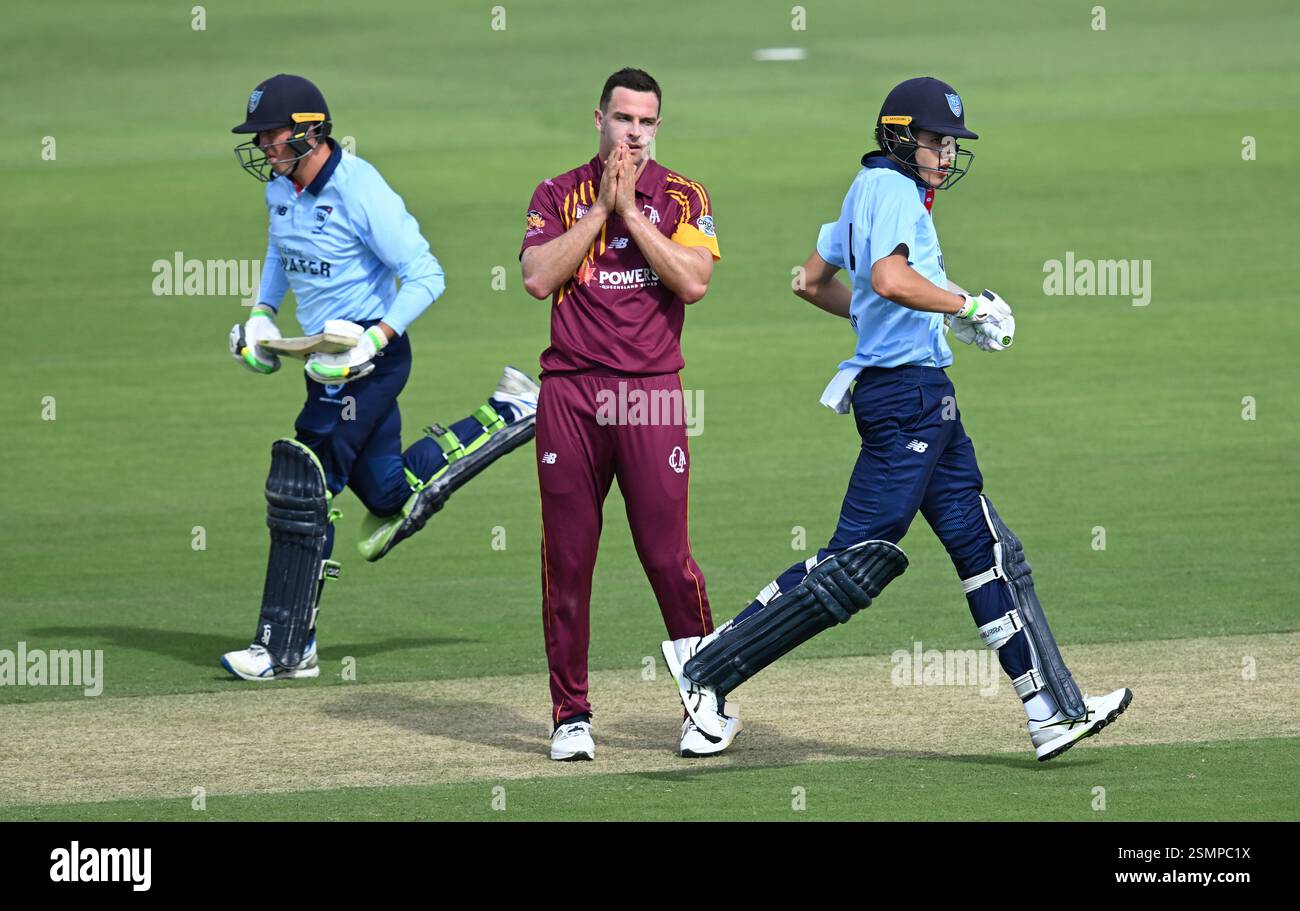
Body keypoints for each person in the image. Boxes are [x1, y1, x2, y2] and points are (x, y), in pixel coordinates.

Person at [661, 76, 1131, 762]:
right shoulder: (889, 189)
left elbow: (812, 281)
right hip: (903, 397)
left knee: (990, 550)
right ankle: (706, 670)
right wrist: (964, 306)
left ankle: (1051, 711)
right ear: (901, 136)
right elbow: (884, 279)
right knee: (855, 566)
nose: (946, 155)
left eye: (950, 144)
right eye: (938, 141)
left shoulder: (871, 190)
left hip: (923, 393)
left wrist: (906, 317)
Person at [222, 73, 539, 681]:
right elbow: (280, 252)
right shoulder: (281, 188)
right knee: (387, 494)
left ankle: (288, 647)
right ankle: (509, 412)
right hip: (324, 360)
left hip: (371, 360)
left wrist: (376, 337)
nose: (264, 145)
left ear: (311, 131)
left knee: (304, 480)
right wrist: (264, 314)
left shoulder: (360, 190)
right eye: (259, 136)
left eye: (272, 134)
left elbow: (427, 275)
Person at [520, 68, 731, 760]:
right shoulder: (557, 193)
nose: (633, 133)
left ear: (658, 127)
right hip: (571, 397)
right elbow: (538, 277)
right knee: (568, 561)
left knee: (670, 561)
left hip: (649, 394)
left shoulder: (682, 196)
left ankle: (705, 704)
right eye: (622, 118)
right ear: (599, 118)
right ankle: (570, 716)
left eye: (646, 121)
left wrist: (632, 214)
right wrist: (598, 213)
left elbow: (695, 283)